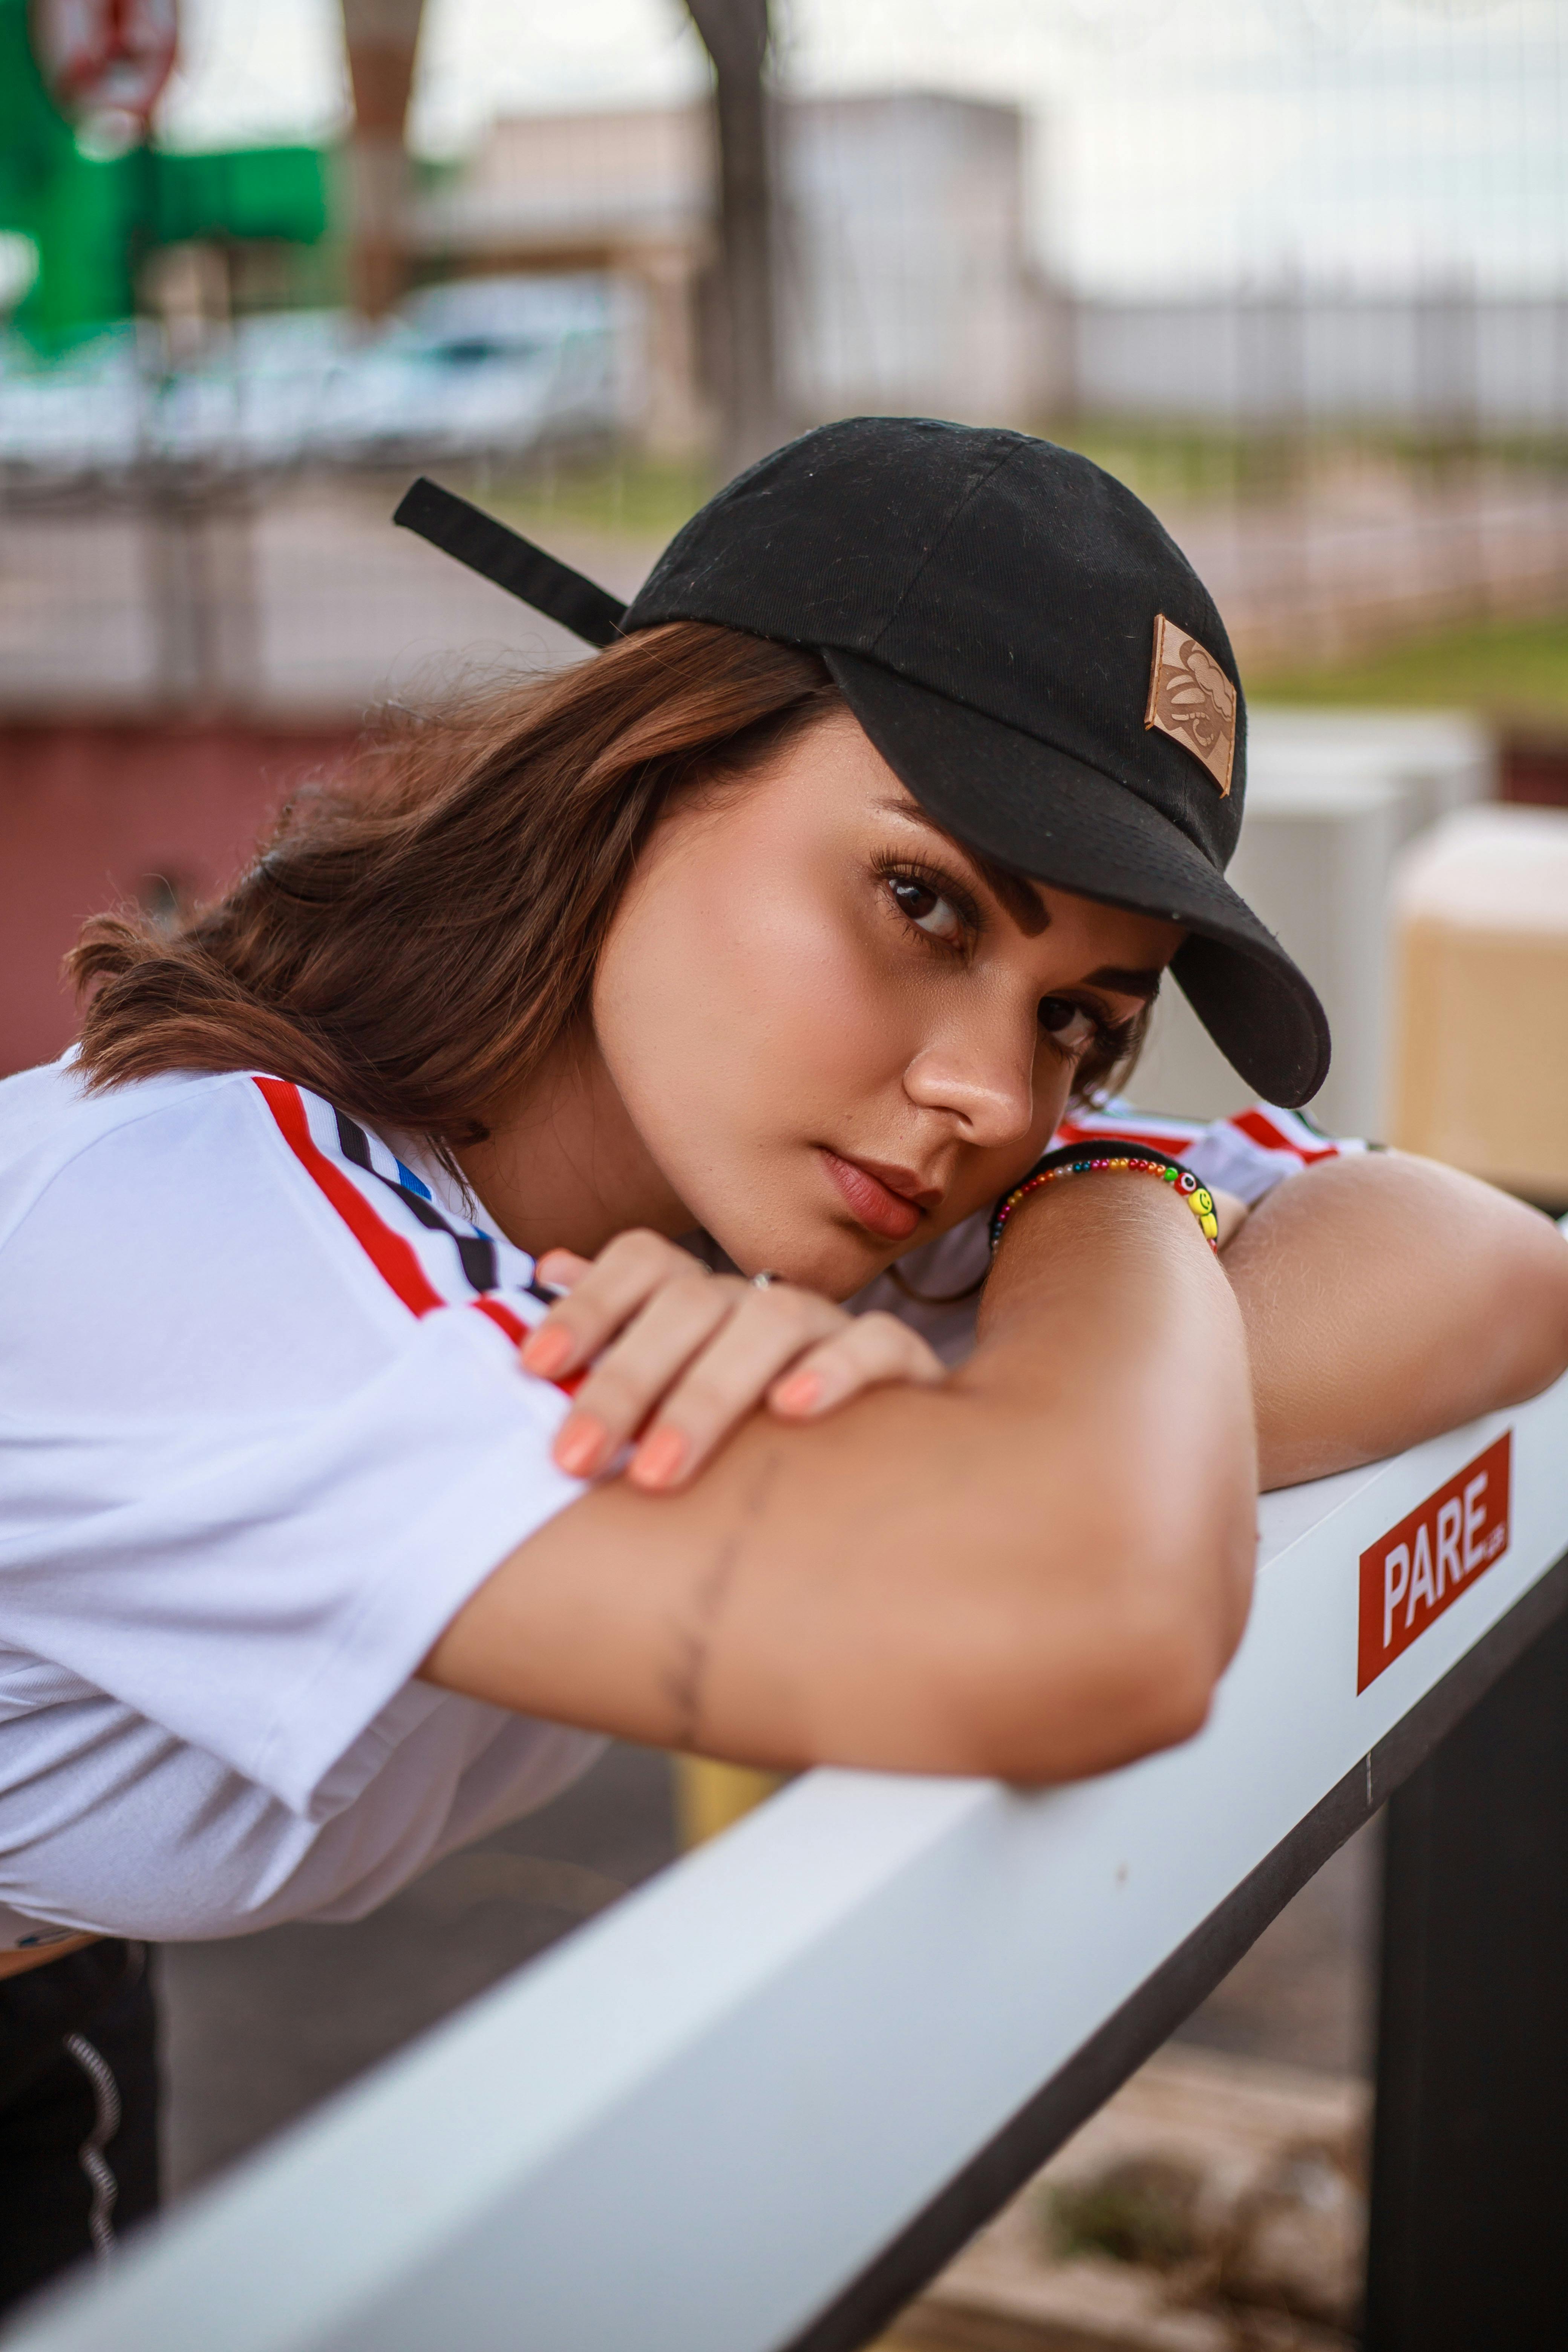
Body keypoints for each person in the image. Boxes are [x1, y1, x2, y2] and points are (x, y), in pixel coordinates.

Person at [1, 420, 1564, 2312]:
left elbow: (1486, 1265)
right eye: (921, 901)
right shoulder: (205, 1240)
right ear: (643, 775)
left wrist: (1103, 1197)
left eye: (1082, 1020)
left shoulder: (826, 1188)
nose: (986, 1095)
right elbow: (1091, 1617)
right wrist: (1086, 1291)